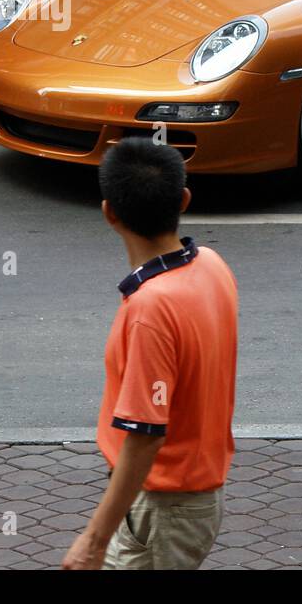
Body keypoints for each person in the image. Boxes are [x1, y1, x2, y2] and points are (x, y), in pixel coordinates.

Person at [62, 138, 239, 570]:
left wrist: (93, 539)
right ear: (183, 199)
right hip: (189, 502)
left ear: (110, 214)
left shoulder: (150, 308)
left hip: (163, 510)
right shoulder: (212, 265)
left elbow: (144, 437)